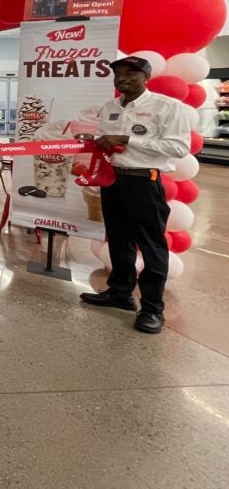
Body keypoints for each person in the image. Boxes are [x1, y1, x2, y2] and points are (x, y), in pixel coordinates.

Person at [80, 55, 190, 334]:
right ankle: (120, 294)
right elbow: (106, 144)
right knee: (118, 239)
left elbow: (179, 148)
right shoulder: (109, 108)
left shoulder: (166, 107)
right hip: (114, 182)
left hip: (144, 182)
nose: (122, 78)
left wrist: (128, 139)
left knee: (152, 245)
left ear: (146, 77)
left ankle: (153, 309)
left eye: (131, 73)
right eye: (118, 73)